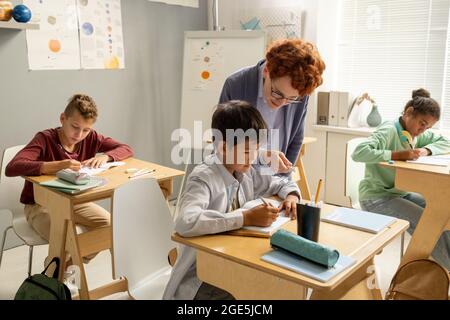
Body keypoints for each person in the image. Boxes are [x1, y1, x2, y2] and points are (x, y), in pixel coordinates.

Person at [163, 100, 301, 300]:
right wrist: (245, 218)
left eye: (256, 150)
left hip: (230, 263)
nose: (253, 158)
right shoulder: (203, 177)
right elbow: (186, 222)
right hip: (200, 280)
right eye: (247, 151)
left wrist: (291, 195)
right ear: (224, 148)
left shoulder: (244, 171)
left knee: (279, 284)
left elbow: (278, 183)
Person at [5, 94, 133, 262]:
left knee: (110, 227)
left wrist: (106, 157)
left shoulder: (92, 138)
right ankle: (59, 271)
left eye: (86, 130)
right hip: (40, 205)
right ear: (62, 118)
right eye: (75, 127)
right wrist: (57, 165)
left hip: (74, 202)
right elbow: (12, 167)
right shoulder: (45, 139)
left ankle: (60, 268)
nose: (79, 134)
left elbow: (126, 148)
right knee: (67, 240)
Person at [352, 88, 450, 269]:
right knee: (430, 225)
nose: (423, 130)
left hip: (400, 194)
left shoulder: (413, 134)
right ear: (408, 113)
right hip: (376, 198)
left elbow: (446, 142)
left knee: (443, 213)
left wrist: (425, 150)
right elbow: (359, 152)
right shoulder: (388, 130)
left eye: (427, 127)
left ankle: (443, 270)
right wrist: (397, 154)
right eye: (422, 123)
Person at [219, 39, 325, 173]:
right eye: (277, 93)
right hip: (238, 180)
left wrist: (284, 180)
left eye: (291, 99)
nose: (282, 103)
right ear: (266, 70)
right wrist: (263, 156)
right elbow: (224, 143)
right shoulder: (236, 85)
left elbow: (296, 140)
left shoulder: (300, 92)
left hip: (273, 182)